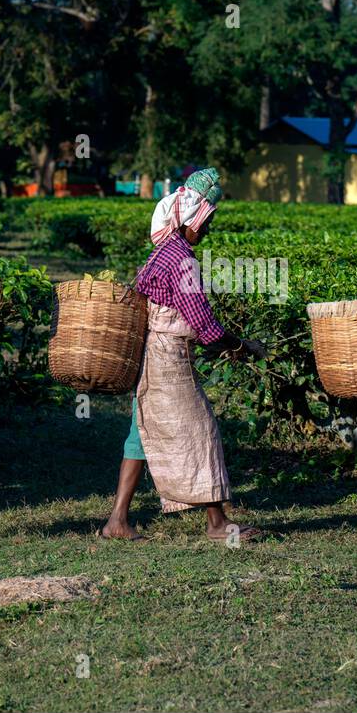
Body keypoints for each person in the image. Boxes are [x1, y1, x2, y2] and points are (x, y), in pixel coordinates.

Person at [99, 169, 266, 542]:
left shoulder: (162, 252)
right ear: (192, 218)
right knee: (200, 429)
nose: (208, 228)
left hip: (150, 356)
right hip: (166, 359)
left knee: (140, 434)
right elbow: (204, 323)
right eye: (207, 219)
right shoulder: (182, 260)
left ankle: (117, 521)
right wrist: (242, 347)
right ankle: (217, 524)